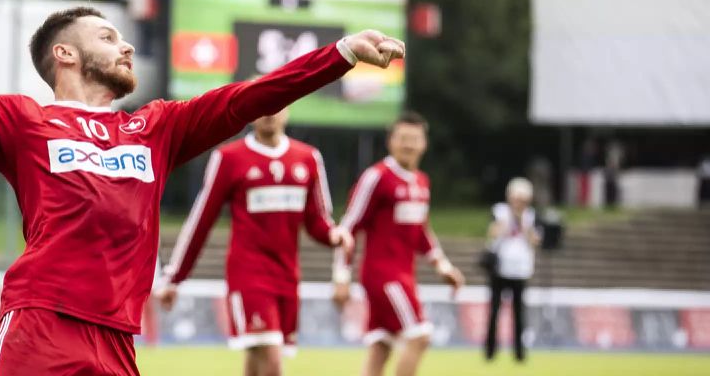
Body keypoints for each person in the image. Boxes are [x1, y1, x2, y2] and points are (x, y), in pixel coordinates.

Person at [0, 6, 404, 375]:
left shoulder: (155, 128)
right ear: (64, 55)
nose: (125, 43)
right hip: (39, 326)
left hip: (117, 339)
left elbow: (247, 97)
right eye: (108, 37)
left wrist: (340, 53)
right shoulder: (26, 123)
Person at [157, 107, 354, 376]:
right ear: (250, 113)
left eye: (277, 105)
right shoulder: (228, 158)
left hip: (287, 276)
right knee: (271, 361)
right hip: (248, 275)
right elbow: (200, 221)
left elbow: (317, 221)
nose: (269, 113)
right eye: (261, 106)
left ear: (288, 111)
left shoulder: (308, 158)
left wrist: (334, 234)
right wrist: (175, 276)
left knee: (259, 358)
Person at [332, 112, 464, 376]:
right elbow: (348, 226)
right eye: (403, 138)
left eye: (415, 139)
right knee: (420, 336)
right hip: (383, 275)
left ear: (424, 143)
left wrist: (443, 266)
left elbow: (421, 231)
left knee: (381, 348)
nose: (409, 145)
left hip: (404, 273)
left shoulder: (421, 181)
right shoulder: (377, 177)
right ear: (390, 142)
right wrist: (340, 276)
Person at [484, 177, 540, 363]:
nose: (519, 203)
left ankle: (519, 353)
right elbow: (492, 233)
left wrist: (524, 224)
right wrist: (508, 220)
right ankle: (490, 351)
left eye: (522, 200)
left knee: (519, 313)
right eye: (516, 199)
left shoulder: (531, 216)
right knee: (494, 312)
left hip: (520, 270)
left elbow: (535, 241)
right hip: (499, 268)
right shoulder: (499, 212)